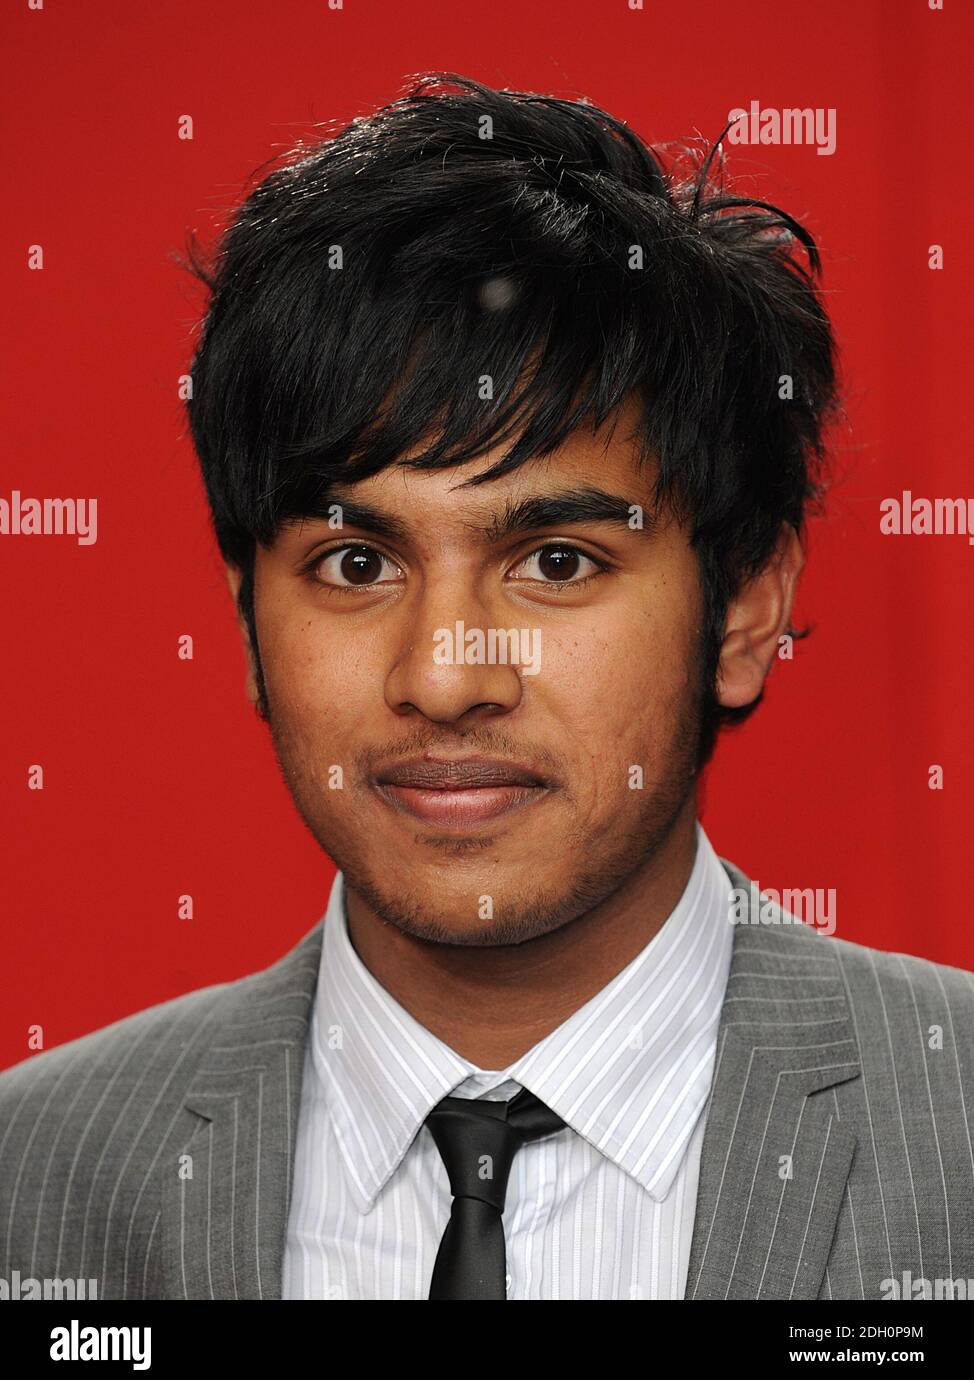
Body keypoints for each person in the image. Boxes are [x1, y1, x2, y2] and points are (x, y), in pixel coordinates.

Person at [2, 73, 973, 1302]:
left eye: (555, 562)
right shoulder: (28, 1183)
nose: (444, 676)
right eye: (357, 563)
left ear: (744, 606)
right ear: (248, 623)